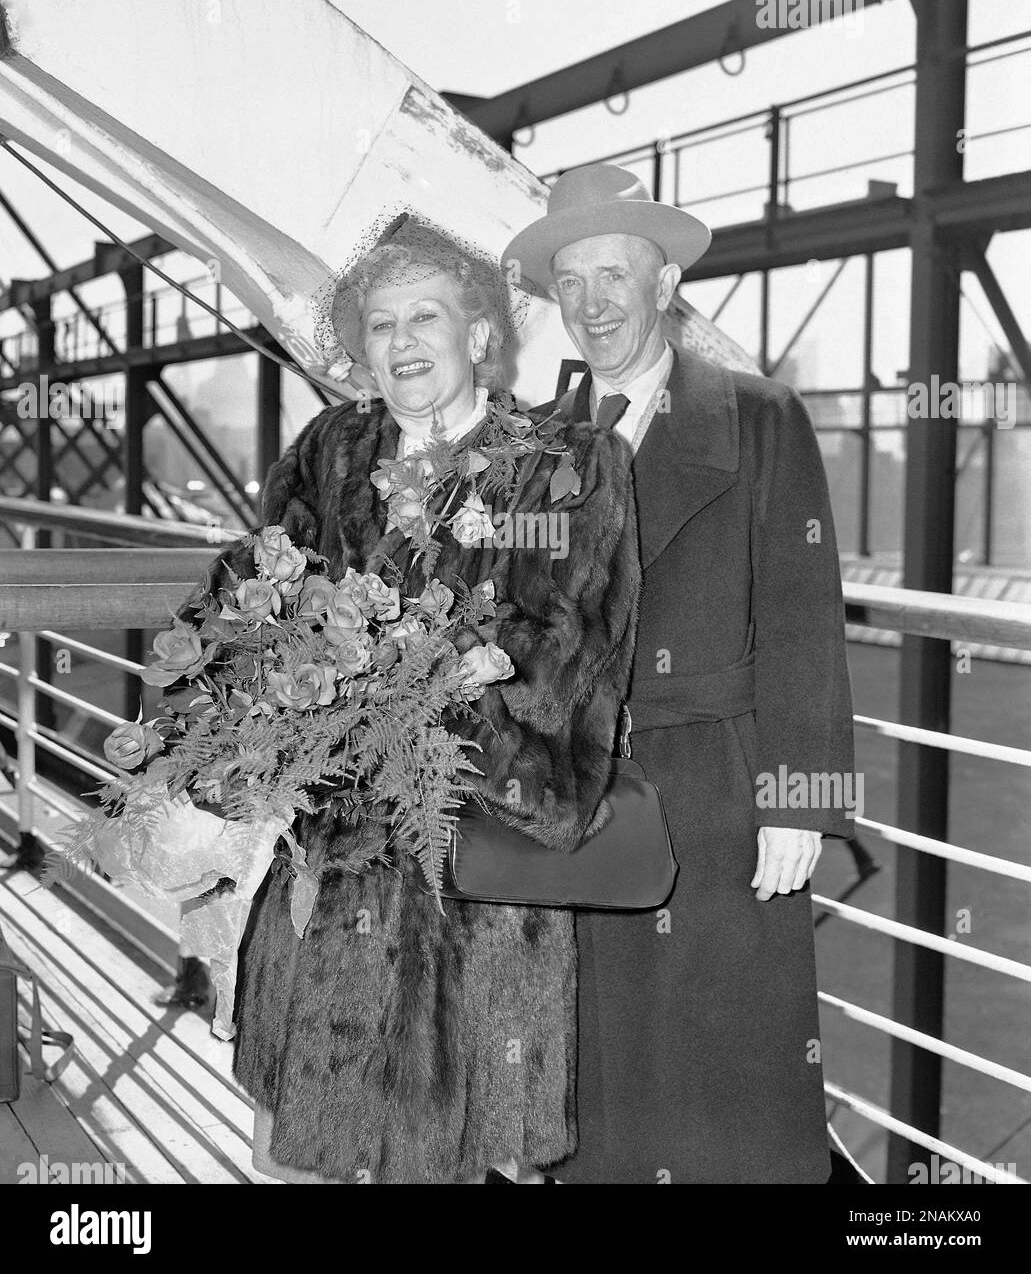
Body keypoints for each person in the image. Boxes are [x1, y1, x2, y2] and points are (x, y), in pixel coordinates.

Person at [185, 217, 640, 1184]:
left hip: (475, 882)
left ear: (479, 335)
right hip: (326, 872)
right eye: (379, 324)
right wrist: (229, 712)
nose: (400, 343)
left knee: (461, 1150)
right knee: (302, 1153)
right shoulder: (329, 449)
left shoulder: (565, 465)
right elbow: (247, 594)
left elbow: (562, 657)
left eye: (424, 317)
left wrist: (388, 680)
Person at [502, 164, 856, 1184]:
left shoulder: (759, 419)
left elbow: (802, 619)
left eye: (614, 276)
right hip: (580, 803)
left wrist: (804, 802)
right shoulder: (531, 448)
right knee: (597, 1084)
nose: (592, 304)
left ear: (662, 287)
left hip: (721, 793)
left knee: (725, 1072)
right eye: (570, 284)